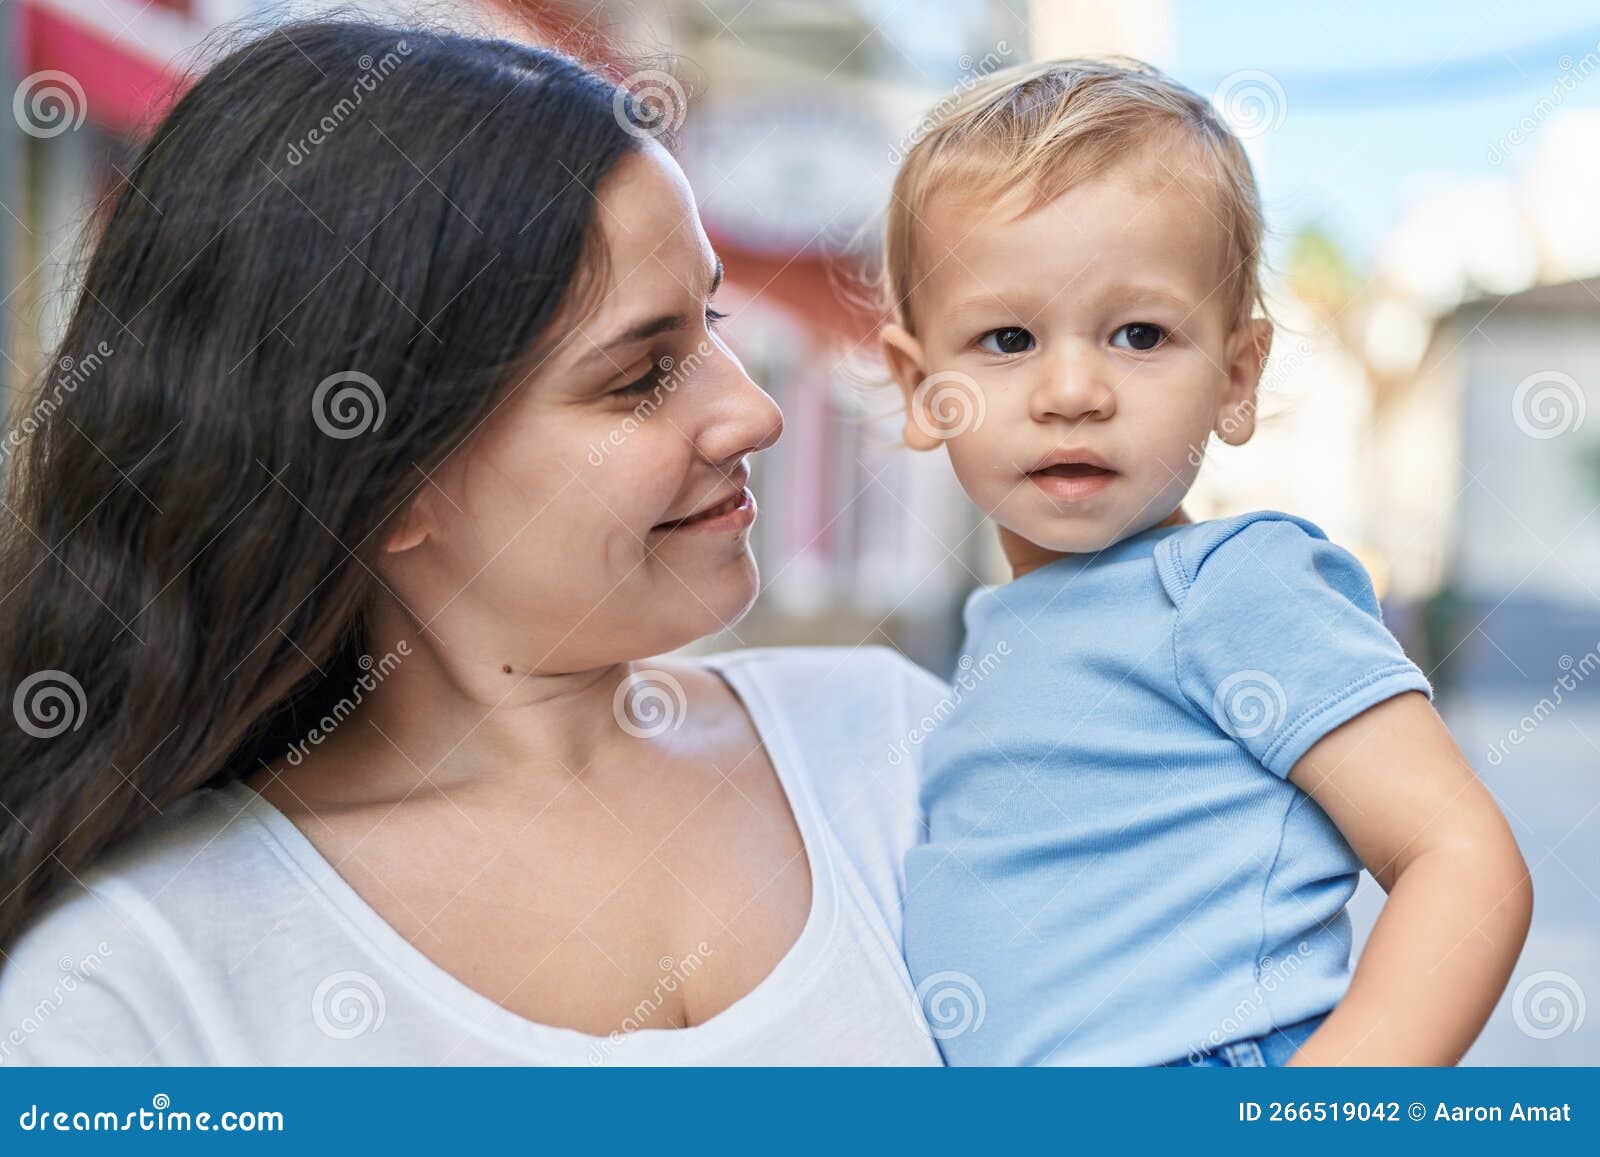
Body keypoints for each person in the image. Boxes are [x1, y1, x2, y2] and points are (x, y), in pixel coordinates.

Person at [0, 22, 948, 1065]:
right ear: (381, 479)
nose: (754, 411)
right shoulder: (131, 992)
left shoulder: (910, 749)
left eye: (712, 319)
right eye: (639, 375)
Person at [878, 58, 1533, 1066]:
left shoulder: (1231, 582)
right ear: (921, 388)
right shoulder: (993, 633)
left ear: (1236, 377)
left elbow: (1463, 861)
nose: (1071, 389)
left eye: (1138, 334)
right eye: (1006, 337)